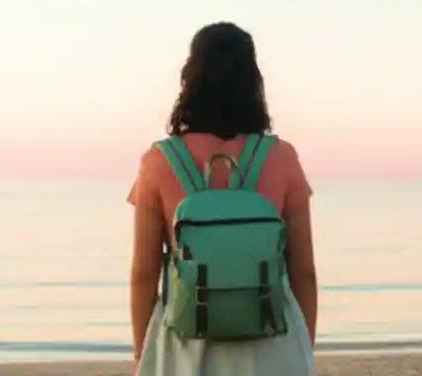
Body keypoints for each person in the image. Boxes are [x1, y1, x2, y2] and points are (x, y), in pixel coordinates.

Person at [127, 22, 317, 376]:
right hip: (272, 343)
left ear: (190, 79)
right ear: (254, 82)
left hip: (185, 345)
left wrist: (144, 354)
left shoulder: (158, 162)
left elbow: (143, 275)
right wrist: (304, 347)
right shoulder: (282, 158)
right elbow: (303, 271)